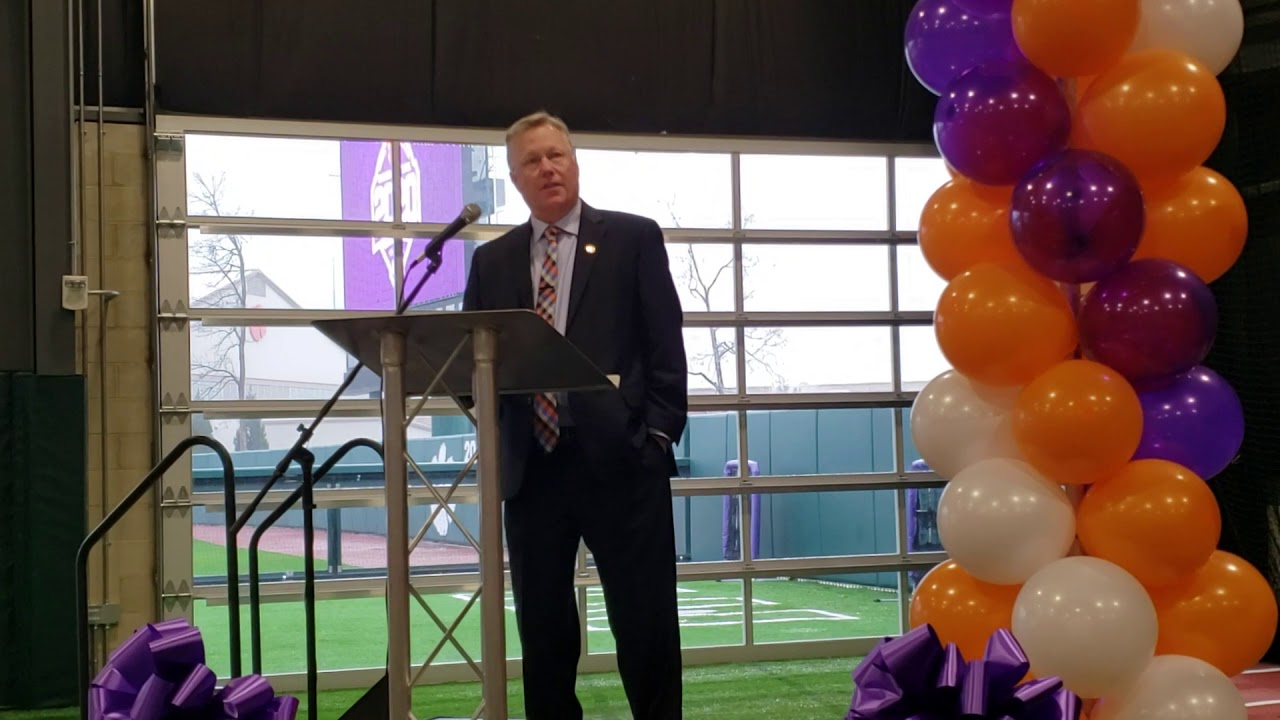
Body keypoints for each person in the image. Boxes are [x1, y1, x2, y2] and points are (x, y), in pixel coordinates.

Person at [461, 111, 688, 719]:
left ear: (576, 162)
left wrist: (657, 437)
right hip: (533, 472)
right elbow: (467, 368)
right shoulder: (494, 263)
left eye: (556, 155)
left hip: (623, 463)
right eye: (532, 161)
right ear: (515, 178)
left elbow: (666, 348)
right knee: (543, 633)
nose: (548, 168)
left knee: (645, 626)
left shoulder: (632, 239)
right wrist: (499, 427)